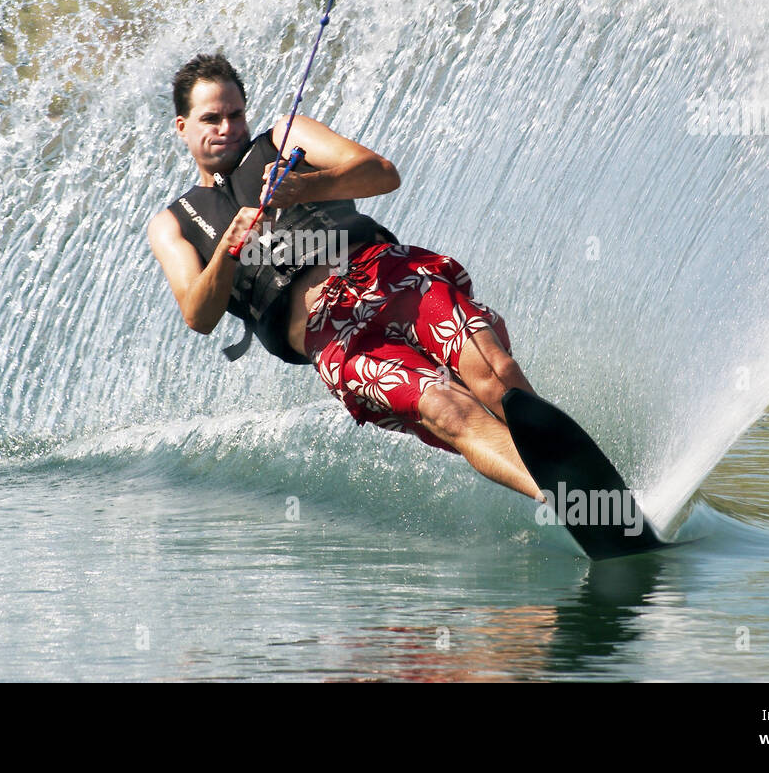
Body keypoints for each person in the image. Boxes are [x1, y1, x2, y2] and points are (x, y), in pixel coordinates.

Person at [148, 53, 545, 502]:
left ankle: (576, 468)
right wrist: (228, 250)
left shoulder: (284, 136)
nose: (227, 128)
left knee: (495, 372)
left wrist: (305, 187)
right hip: (334, 336)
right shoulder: (173, 222)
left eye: (235, 114)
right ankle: (568, 500)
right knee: (448, 410)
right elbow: (198, 315)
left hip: (387, 277)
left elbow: (382, 173)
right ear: (182, 126)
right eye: (211, 118)